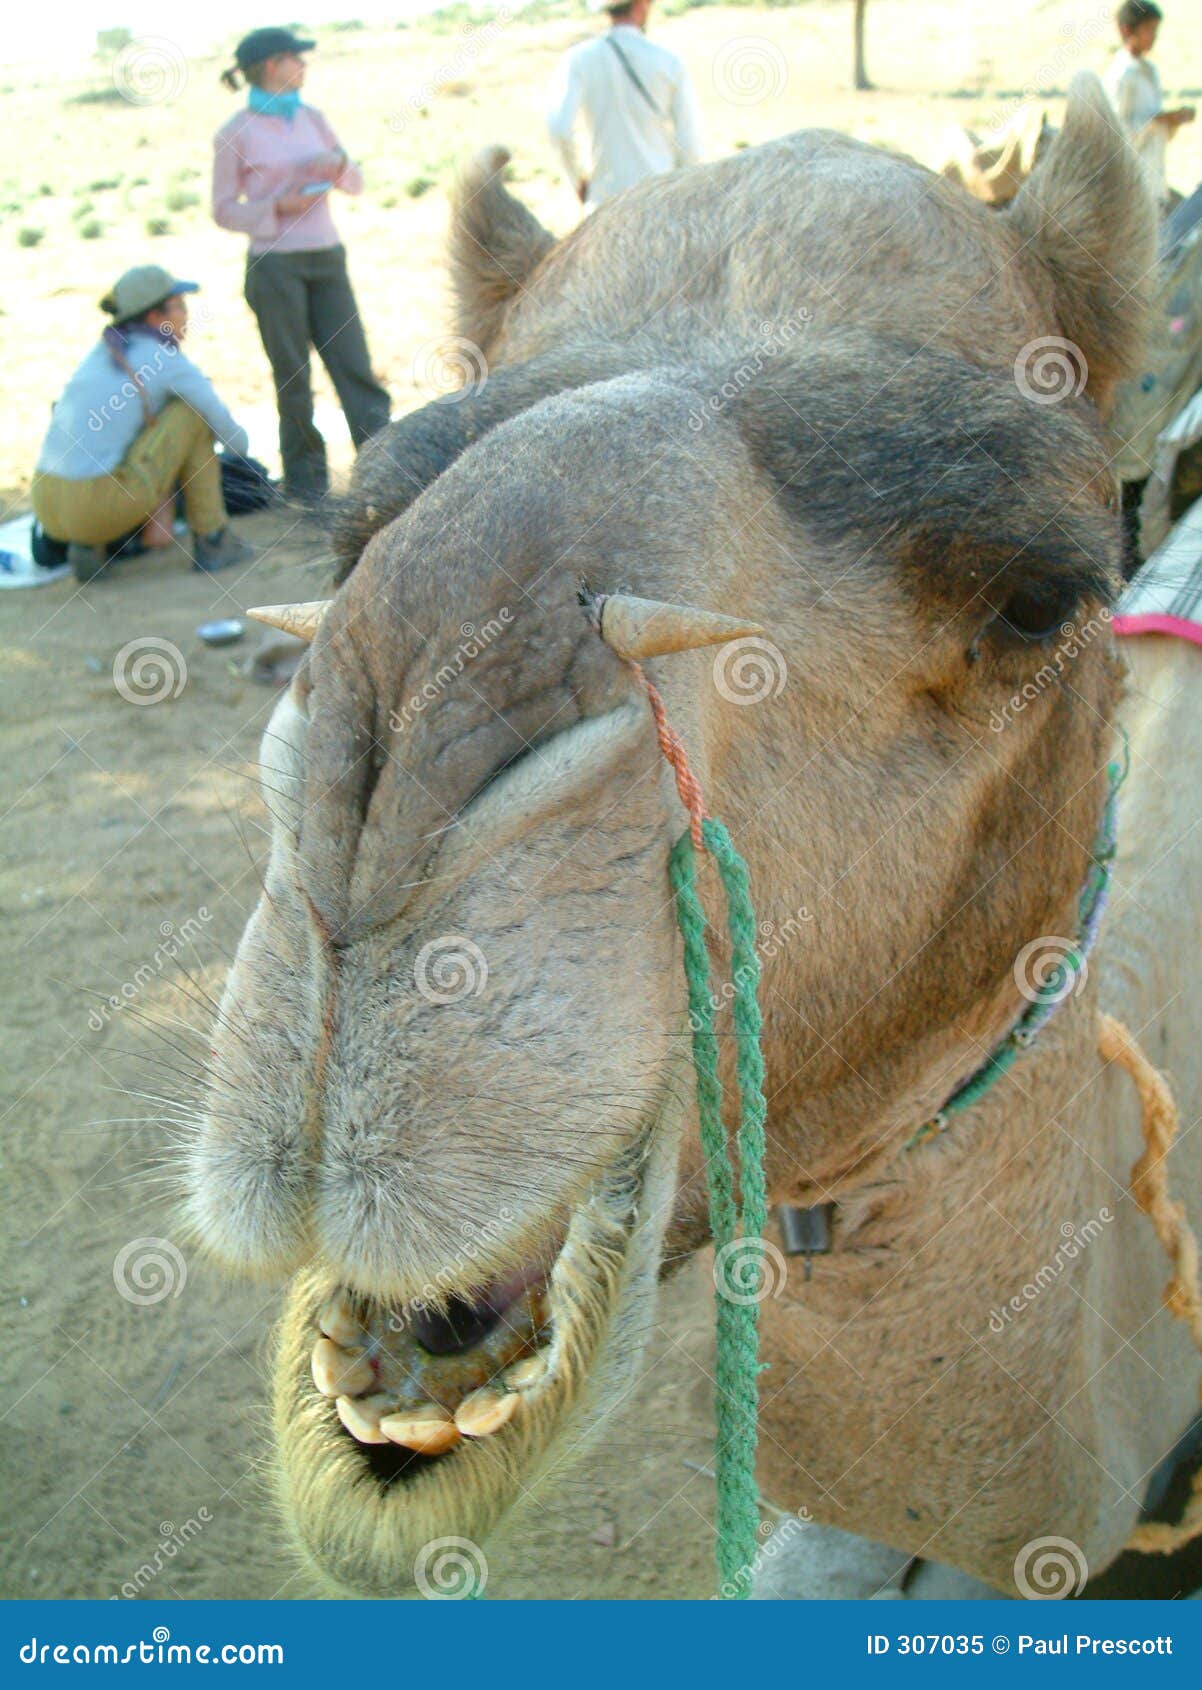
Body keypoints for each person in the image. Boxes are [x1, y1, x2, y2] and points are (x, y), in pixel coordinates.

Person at [212, 26, 390, 505]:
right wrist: (277, 209)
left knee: (355, 367)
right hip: (275, 266)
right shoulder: (235, 133)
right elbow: (222, 210)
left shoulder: (314, 119)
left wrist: (338, 165)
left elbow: (355, 183)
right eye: (296, 58)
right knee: (293, 379)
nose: (304, 66)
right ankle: (307, 488)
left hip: (327, 256)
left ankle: (387, 470)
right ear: (272, 65)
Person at [32, 266, 254, 583]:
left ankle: (88, 547)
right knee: (191, 415)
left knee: (121, 431)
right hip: (94, 506)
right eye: (179, 306)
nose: (186, 315)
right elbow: (233, 439)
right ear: (154, 317)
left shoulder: (103, 351)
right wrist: (240, 460)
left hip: (46, 504)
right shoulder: (163, 359)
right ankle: (214, 539)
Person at [545, 0, 703, 212]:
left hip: (604, 205)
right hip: (660, 201)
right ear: (641, 4)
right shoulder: (669, 61)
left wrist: (577, 183)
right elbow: (689, 142)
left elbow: (559, 128)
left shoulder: (578, 59)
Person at [1103, 2, 1194, 206]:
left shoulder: (1150, 71)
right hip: (1127, 185)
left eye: (1155, 30)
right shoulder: (1120, 75)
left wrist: (1173, 121)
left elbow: (1158, 131)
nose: (1153, 36)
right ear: (1127, 30)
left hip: (1153, 180)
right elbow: (1114, 132)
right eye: (1148, 30)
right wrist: (1156, 120)